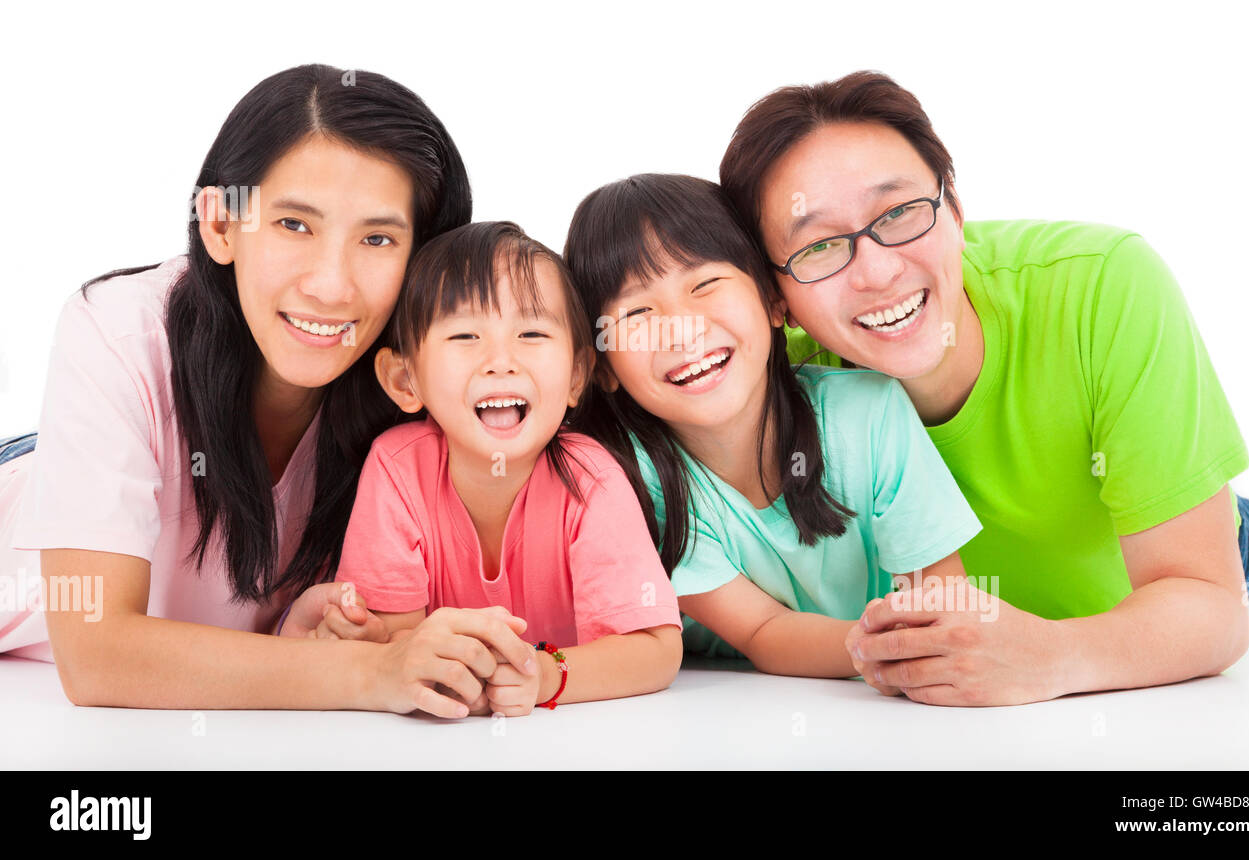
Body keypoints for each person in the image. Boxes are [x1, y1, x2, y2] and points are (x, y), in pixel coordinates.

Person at [718, 70, 1249, 705]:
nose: (878, 271)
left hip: (1140, 567)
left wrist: (1051, 659)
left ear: (956, 209)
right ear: (778, 300)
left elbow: (1213, 608)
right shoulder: (760, 379)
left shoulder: (1105, 285)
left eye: (901, 212)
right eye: (821, 245)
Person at [0, 64, 539, 716]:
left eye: (377, 238)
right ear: (221, 226)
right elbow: (98, 656)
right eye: (294, 225)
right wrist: (372, 673)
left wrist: (317, 633)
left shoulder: (423, 377)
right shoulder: (115, 331)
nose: (331, 286)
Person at [564, 173, 981, 678]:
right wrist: (891, 650)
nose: (682, 328)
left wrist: (930, 642)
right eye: (636, 312)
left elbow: (944, 599)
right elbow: (764, 631)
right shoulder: (631, 479)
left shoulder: (869, 412)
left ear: (773, 300)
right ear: (601, 367)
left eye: (704, 284)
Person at [292, 222, 682, 715]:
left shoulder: (591, 478)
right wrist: (370, 637)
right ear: (404, 379)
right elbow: (396, 644)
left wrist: (545, 675)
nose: (501, 361)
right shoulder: (397, 469)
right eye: (465, 334)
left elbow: (655, 651)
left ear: (576, 376)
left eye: (533, 333)